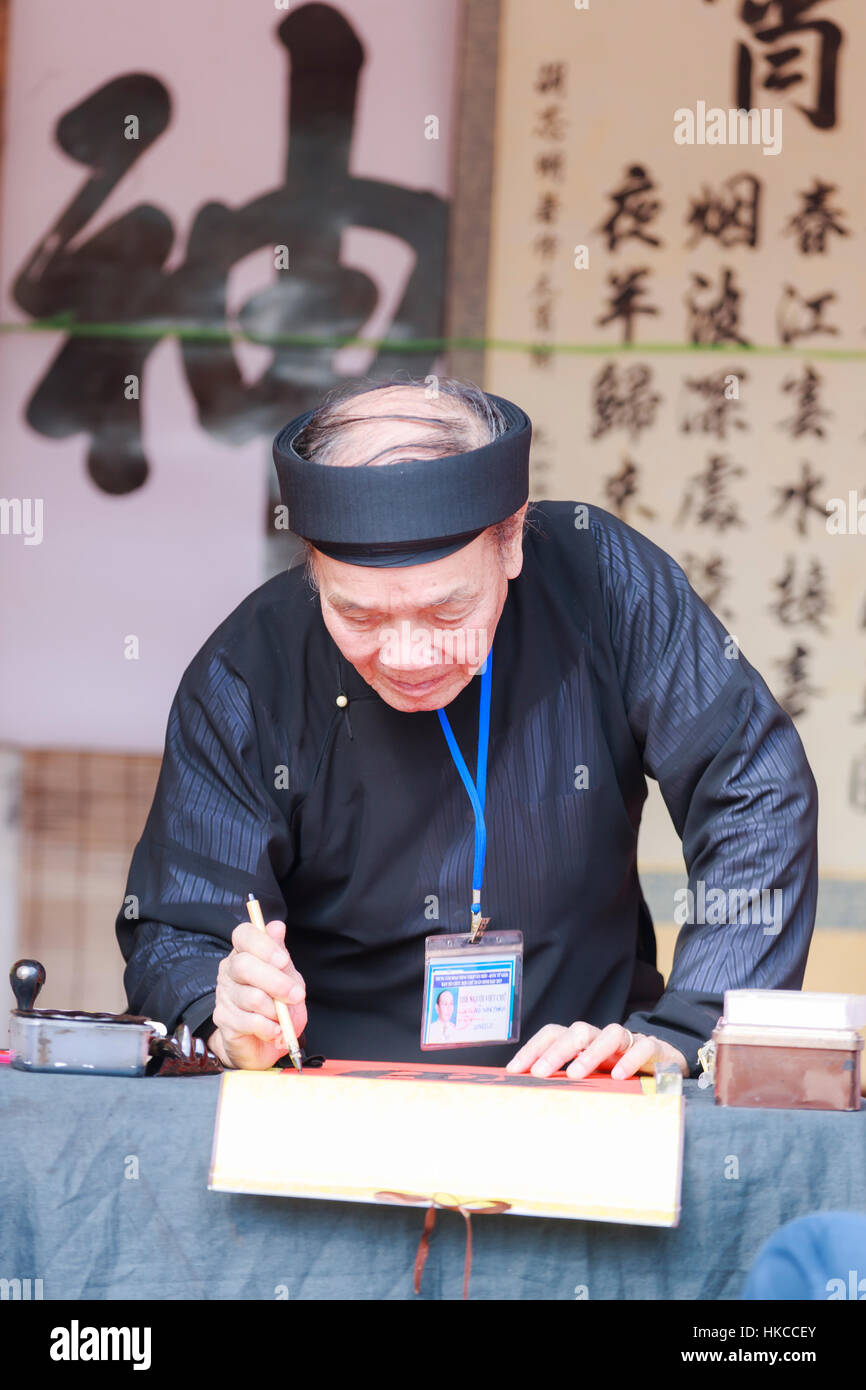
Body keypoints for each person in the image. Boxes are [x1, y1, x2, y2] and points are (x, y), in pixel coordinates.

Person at [116, 377, 818, 1078]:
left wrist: (691, 1030)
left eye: (446, 612)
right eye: (357, 617)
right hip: (330, 1118)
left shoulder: (601, 584)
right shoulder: (250, 668)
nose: (407, 656)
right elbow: (178, 930)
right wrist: (224, 1012)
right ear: (312, 566)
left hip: (588, 1099)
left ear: (510, 538)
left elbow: (753, 786)